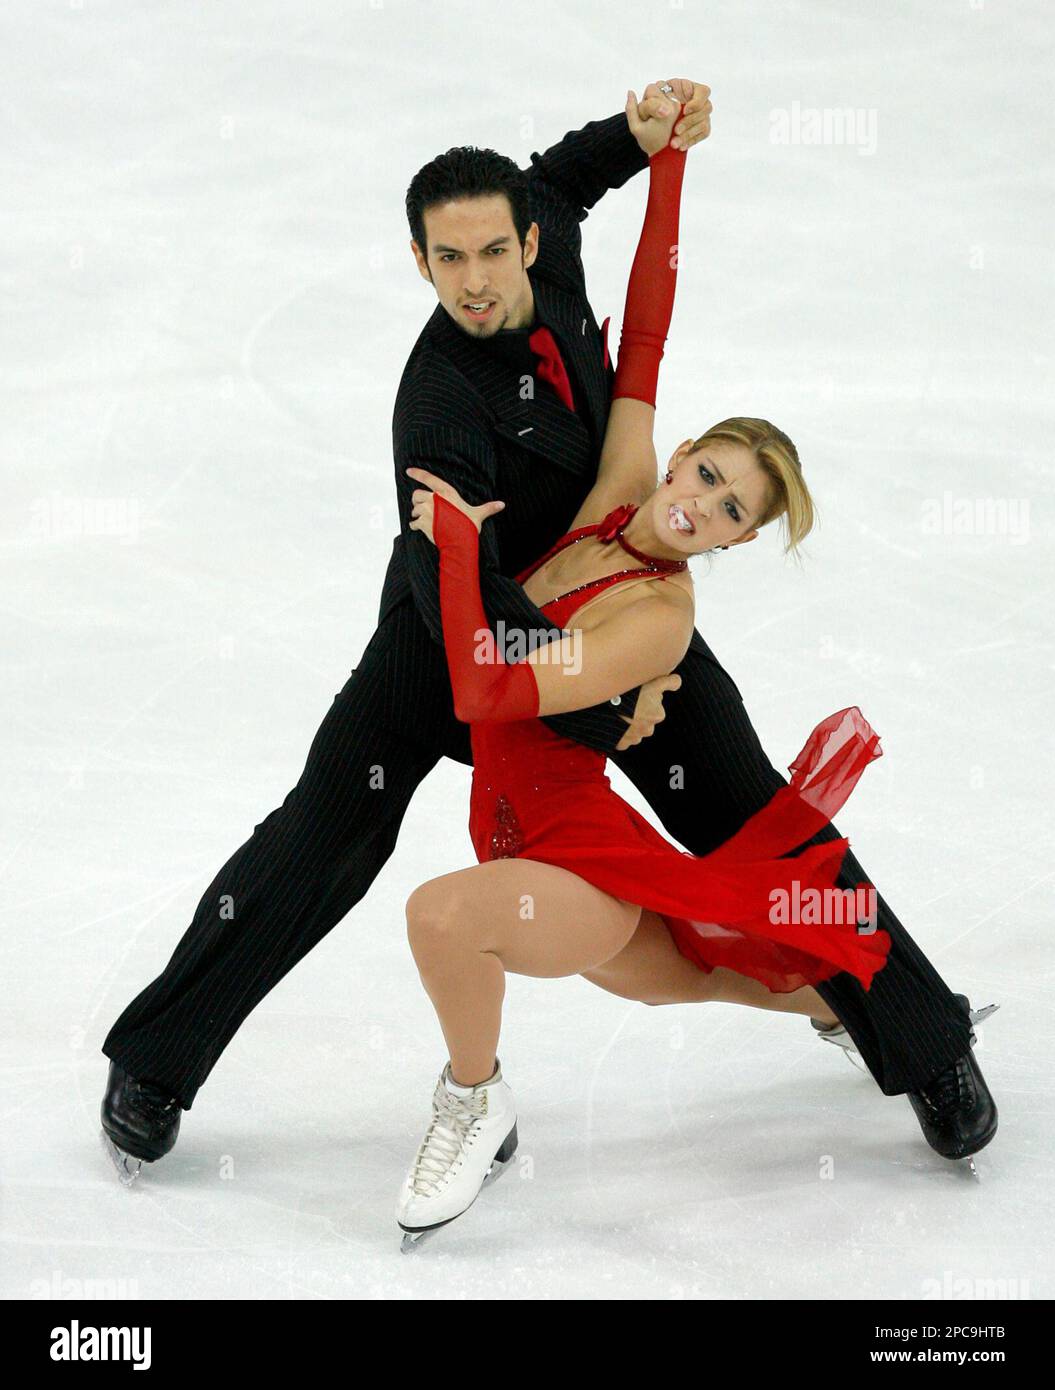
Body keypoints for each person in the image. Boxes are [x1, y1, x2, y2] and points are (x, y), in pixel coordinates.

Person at [100, 80, 994, 1187]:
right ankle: (153, 1062)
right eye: (446, 259)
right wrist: (607, 699)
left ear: (525, 238)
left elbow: (566, 181)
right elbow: (455, 580)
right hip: (458, 637)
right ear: (419, 264)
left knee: (751, 806)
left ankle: (924, 1039)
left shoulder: (548, 250)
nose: (473, 281)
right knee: (323, 831)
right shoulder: (435, 402)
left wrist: (637, 135)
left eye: (490, 249)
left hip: (619, 593)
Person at [394, 108, 897, 1242]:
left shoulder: (658, 624)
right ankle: (859, 1013)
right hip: (542, 845)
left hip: (565, 863)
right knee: (715, 975)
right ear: (678, 454)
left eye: (731, 511)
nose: (702, 502)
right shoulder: (621, 485)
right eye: (709, 472)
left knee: (443, 922)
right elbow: (650, 329)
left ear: (731, 541)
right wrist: (665, 160)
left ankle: (474, 1103)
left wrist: (462, 545)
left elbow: (486, 692)